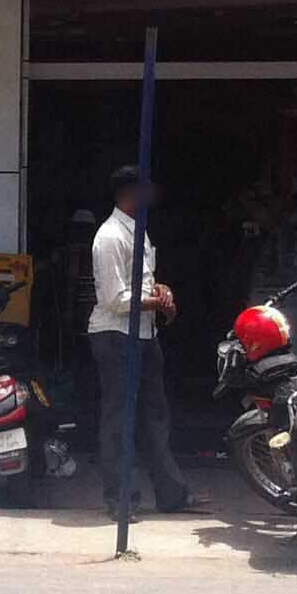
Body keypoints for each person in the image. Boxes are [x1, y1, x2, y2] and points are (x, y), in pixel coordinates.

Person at [89, 164, 191, 515]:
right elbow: (115, 301)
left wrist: (160, 292)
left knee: (154, 415)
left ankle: (171, 492)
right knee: (119, 418)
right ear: (129, 193)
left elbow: (144, 283)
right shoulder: (110, 236)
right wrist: (156, 301)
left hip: (145, 333)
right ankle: (119, 498)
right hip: (116, 335)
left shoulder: (139, 233)